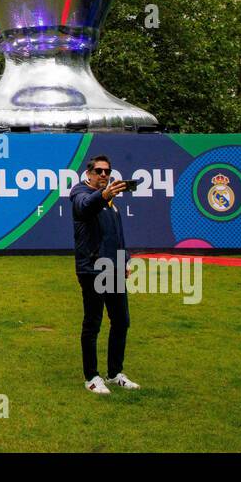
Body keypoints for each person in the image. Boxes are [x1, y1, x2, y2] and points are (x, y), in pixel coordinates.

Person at [69, 155, 139, 395]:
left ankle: (114, 373)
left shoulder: (112, 203)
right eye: (98, 171)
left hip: (114, 268)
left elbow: (116, 235)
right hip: (92, 269)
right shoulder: (80, 192)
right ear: (88, 173)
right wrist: (105, 195)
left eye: (107, 171)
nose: (103, 175)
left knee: (121, 321)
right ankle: (91, 377)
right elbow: (85, 206)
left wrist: (126, 260)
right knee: (93, 323)